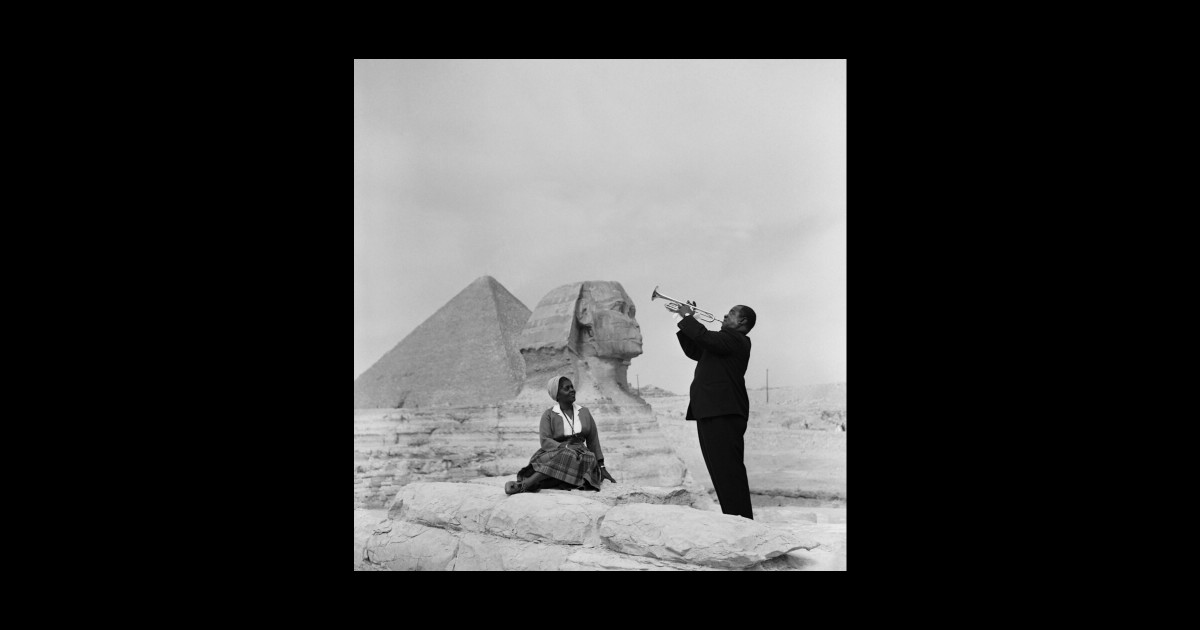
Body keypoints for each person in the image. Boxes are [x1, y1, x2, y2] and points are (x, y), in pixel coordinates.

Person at [674, 300, 757, 519]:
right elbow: (695, 349)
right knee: (720, 471)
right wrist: (686, 320)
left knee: (728, 471)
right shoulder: (722, 343)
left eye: (731, 313)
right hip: (711, 410)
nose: (725, 315)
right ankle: (734, 518)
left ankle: (742, 521)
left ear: (742, 322)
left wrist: (689, 318)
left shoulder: (736, 340)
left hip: (724, 411)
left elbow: (705, 338)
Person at [505, 375, 618, 495]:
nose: (572, 390)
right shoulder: (549, 414)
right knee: (566, 454)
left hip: (581, 456)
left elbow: (593, 441)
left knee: (588, 457)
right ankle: (531, 483)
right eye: (567, 388)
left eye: (572, 387)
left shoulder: (584, 412)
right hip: (555, 451)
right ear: (557, 395)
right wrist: (566, 447)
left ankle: (527, 484)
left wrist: (602, 468)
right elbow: (545, 440)